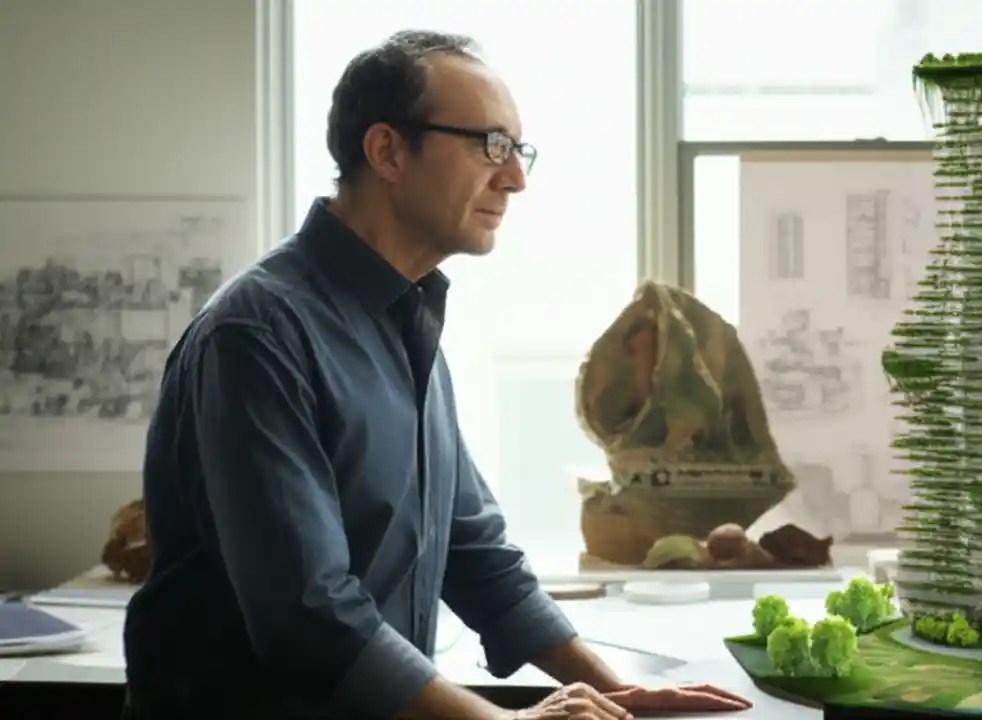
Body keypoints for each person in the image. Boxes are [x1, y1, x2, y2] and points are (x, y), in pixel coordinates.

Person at [121, 30, 753, 720]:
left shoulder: (405, 317)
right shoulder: (258, 334)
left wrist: (610, 689)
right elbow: (310, 614)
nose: (514, 178)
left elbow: (471, 549)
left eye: (517, 150)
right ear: (388, 150)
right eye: (490, 144)